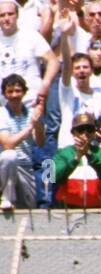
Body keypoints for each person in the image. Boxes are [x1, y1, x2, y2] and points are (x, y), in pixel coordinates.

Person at [0, 72, 42, 209]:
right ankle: (7, 197)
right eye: (10, 91)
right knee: (9, 156)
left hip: (26, 166)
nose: (14, 95)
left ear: (24, 93)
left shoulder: (31, 113)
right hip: (6, 168)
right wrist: (29, 128)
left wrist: (37, 124)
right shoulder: (2, 113)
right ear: (4, 94)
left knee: (29, 209)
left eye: (18, 91)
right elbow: (8, 144)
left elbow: (41, 143)